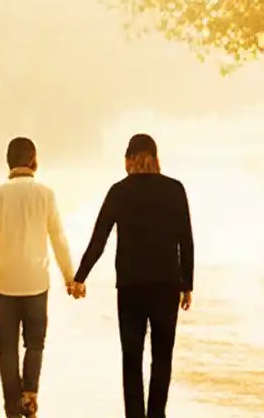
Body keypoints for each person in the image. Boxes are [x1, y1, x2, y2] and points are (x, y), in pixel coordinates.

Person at [70, 133, 194, 418]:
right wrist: (186, 283)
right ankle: (156, 414)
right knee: (162, 357)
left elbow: (99, 238)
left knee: (132, 356)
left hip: (131, 286)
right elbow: (185, 240)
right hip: (165, 284)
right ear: (156, 158)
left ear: (128, 160)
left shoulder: (119, 191)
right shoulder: (175, 190)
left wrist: (80, 276)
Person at [0, 137, 76, 418]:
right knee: (35, 343)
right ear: (34, 161)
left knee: (7, 348)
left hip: (4, 282)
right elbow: (58, 239)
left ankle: (12, 406)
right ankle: (29, 395)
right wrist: (70, 277)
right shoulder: (45, 194)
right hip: (36, 283)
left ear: (9, 162)